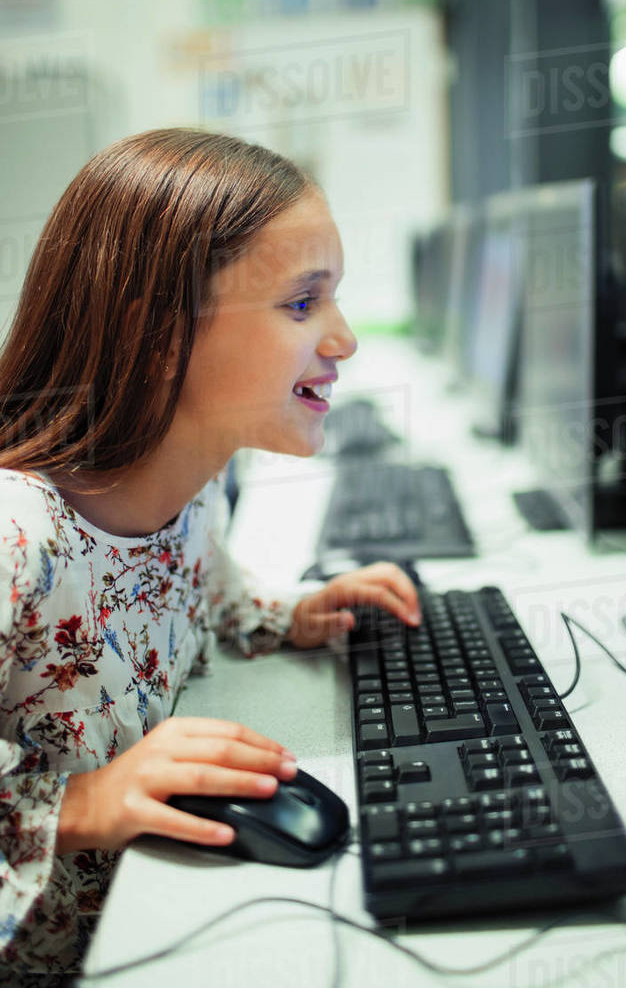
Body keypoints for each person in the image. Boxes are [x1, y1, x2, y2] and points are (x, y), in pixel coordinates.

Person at [0, 129, 419, 982]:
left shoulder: (193, 487)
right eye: (302, 305)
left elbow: (197, 591)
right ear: (158, 336)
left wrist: (290, 614)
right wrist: (76, 806)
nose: (343, 340)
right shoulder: (17, 538)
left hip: (146, 925)